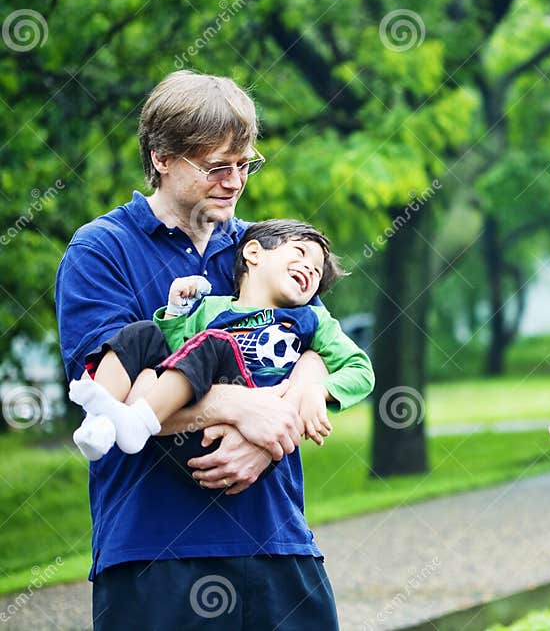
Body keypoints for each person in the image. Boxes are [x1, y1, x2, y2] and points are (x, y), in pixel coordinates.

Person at [55, 71, 352, 630]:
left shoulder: (261, 250)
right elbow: (108, 398)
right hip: (151, 549)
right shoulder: (100, 251)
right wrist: (239, 408)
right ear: (163, 156)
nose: (235, 181)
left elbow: (323, 340)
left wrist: (293, 401)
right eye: (218, 166)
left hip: (277, 538)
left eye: (246, 164)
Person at [69, 218, 374, 462]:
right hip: (189, 427)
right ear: (253, 253)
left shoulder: (311, 319)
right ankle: (100, 423)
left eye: (318, 272)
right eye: (300, 253)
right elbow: (177, 354)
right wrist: (176, 312)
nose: (311, 268)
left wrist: (319, 391)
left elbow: (360, 369)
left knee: (214, 343)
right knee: (142, 332)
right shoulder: (212, 308)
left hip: (249, 435)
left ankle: (139, 420)